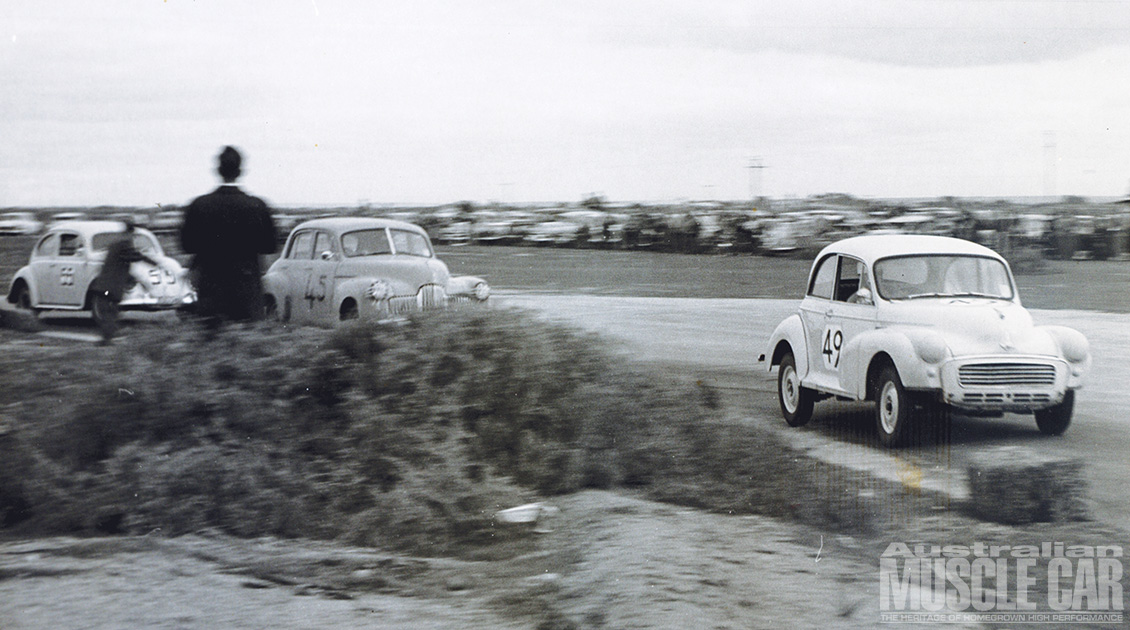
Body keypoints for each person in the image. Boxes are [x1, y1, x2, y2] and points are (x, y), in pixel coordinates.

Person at [180, 146, 277, 328]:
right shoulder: (257, 206)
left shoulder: (199, 205)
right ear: (240, 171)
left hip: (211, 293)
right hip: (248, 294)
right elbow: (270, 246)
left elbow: (187, 245)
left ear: (218, 170)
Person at [91, 220, 159, 345]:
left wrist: (132, 277)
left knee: (107, 310)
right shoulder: (124, 245)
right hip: (110, 287)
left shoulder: (116, 245)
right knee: (109, 311)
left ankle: (108, 338)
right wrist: (153, 262)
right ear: (131, 233)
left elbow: (124, 261)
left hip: (106, 287)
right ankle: (109, 337)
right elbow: (133, 256)